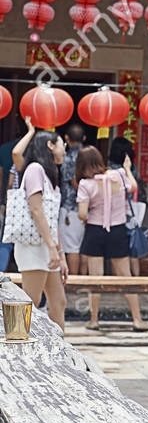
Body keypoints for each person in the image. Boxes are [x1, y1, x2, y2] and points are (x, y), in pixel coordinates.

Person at [76, 147, 147, 331]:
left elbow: (82, 214)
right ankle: (137, 319)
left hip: (95, 230)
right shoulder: (119, 175)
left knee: (95, 277)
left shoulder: (86, 184)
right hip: (117, 230)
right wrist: (128, 169)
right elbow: (134, 187)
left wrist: (91, 212)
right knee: (125, 277)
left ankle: (94, 319)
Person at [14, 130, 67, 332]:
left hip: (48, 246)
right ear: (51, 146)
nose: (65, 149)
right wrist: (53, 249)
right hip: (34, 246)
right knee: (30, 300)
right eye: (62, 143)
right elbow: (36, 209)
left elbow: (53, 219)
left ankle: (59, 352)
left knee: (58, 302)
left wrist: (60, 253)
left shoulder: (50, 174)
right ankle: (16, 347)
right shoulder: (35, 169)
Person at [0, 118, 38, 273]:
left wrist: (5, 202)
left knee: (6, 242)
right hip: (33, 210)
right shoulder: (38, 165)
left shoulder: (14, 165)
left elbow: (8, 184)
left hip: (15, 207)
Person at [108, 137, 147, 276]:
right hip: (130, 213)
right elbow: (135, 187)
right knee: (132, 248)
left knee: (116, 252)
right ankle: (135, 279)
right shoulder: (131, 169)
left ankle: (116, 280)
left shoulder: (108, 169)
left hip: (114, 214)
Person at [59, 122, 87, 276]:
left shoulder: (68, 158)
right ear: (84, 138)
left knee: (71, 248)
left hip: (71, 207)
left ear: (66, 138)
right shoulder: (91, 156)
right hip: (87, 207)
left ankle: (73, 281)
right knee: (82, 246)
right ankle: (82, 278)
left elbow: (73, 183)